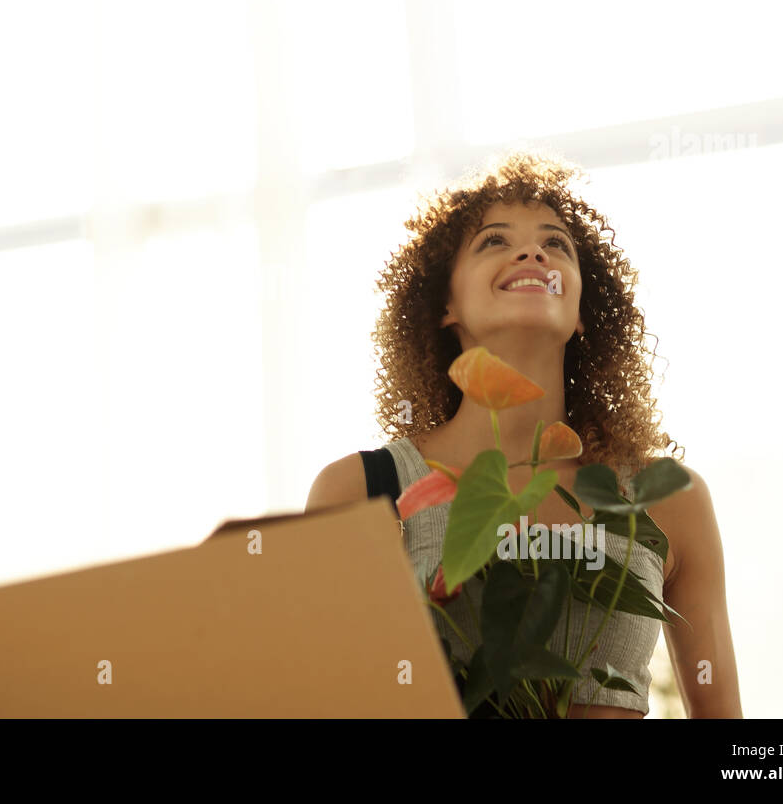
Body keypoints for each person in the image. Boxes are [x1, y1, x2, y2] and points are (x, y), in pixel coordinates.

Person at [306, 150, 742, 718]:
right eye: (493, 241)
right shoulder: (361, 492)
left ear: (584, 310)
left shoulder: (670, 498)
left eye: (556, 244)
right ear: (444, 304)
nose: (533, 251)